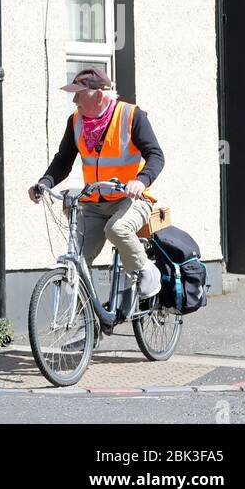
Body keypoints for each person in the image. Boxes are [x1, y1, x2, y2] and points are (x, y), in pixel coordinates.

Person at [28, 67, 166, 316]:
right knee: (77, 259)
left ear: (99, 96)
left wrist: (141, 181)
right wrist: (45, 183)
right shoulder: (76, 122)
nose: (74, 100)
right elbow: (63, 160)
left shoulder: (130, 115)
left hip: (131, 199)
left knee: (117, 229)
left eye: (79, 94)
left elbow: (156, 155)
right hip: (94, 202)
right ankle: (92, 327)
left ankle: (147, 269)